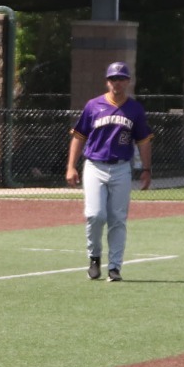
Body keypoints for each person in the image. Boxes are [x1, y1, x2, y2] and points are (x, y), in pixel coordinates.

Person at [66, 61, 152, 282]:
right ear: (107, 81)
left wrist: (146, 169)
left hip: (122, 168)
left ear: (128, 82)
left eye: (121, 78)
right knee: (95, 215)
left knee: (117, 219)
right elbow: (79, 136)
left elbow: (143, 141)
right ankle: (94, 257)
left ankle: (114, 267)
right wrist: (71, 166)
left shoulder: (135, 109)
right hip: (95, 165)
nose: (117, 83)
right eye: (113, 79)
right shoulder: (93, 106)